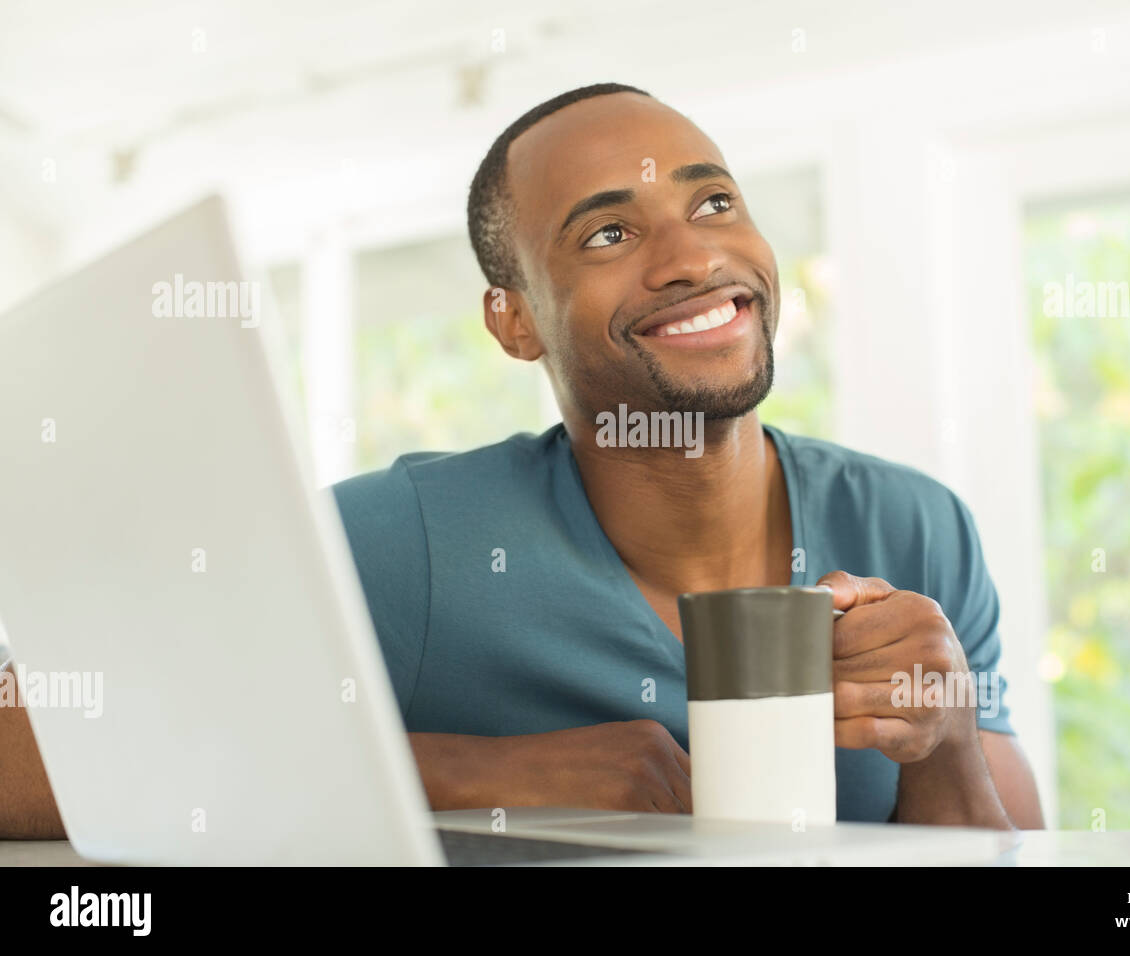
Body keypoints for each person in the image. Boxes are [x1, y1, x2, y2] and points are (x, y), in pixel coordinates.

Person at [0, 82, 1043, 839]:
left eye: (714, 202)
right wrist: (474, 770)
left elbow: (1005, 843)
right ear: (512, 321)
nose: (691, 259)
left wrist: (946, 738)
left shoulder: (915, 525)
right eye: (605, 235)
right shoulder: (414, 541)